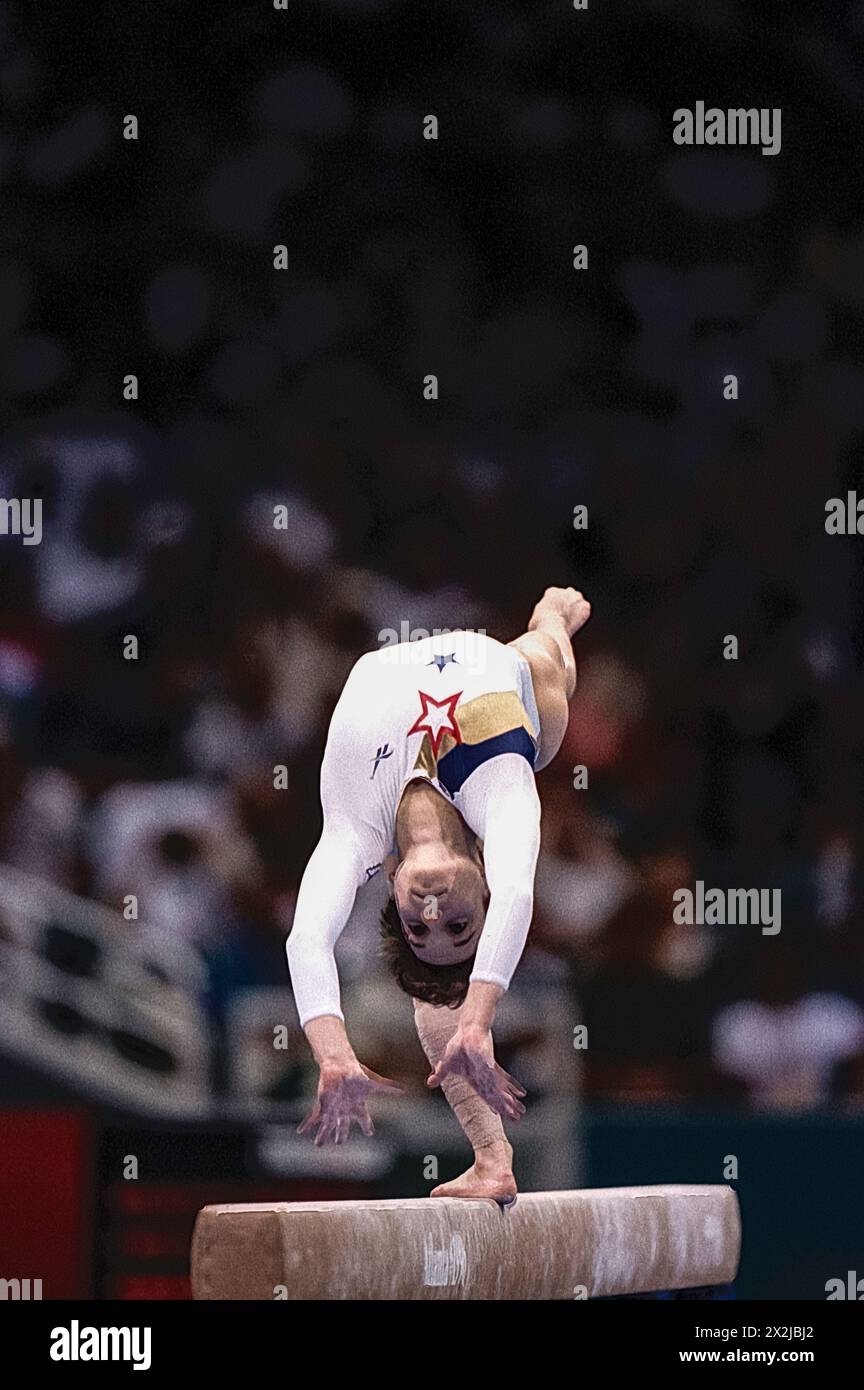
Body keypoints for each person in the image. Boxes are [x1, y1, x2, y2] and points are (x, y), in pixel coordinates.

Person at [286, 587, 591, 1201]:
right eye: (460, 928)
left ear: (392, 889)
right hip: (505, 684)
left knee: (434, 990)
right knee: (544, 667)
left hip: (392, 663)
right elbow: (519, 898)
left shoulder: (354, 831)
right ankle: (551, 621)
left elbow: (306, 938)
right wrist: (477, 1022)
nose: (433, 916)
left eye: (419, 928)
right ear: (484, 874)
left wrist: (334, 1054)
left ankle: (490, 1157)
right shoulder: (500, 788)